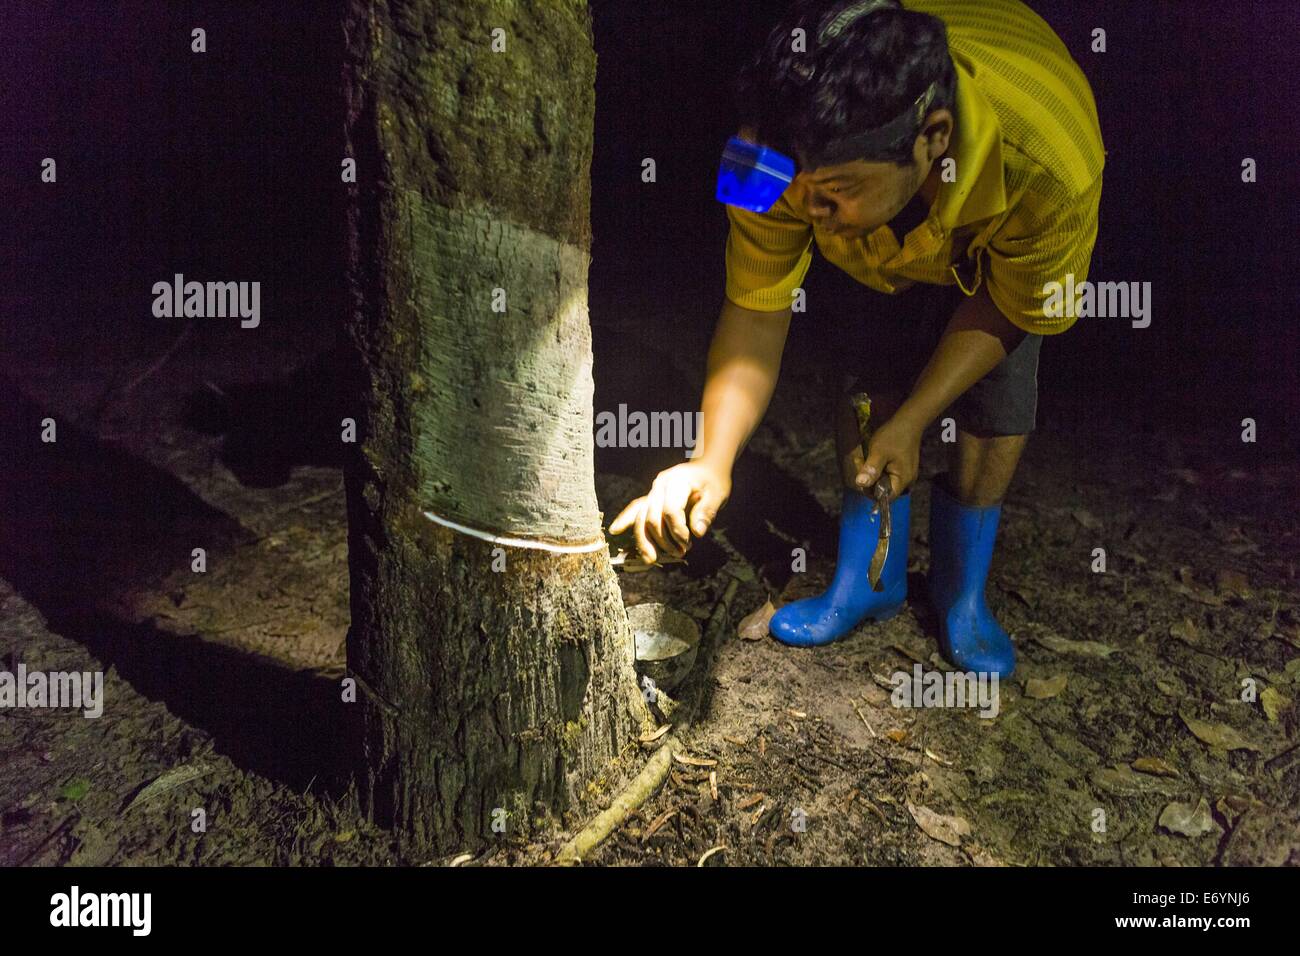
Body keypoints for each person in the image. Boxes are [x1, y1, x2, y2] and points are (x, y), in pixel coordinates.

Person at [609, 0, 1104, 677]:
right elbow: (757, 307)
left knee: (997, 403)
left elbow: (1012, 307)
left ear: (932, 136)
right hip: (881, 240)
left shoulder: (1049, 165)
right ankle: (868, 581)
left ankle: (961, 597)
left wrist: (918, 419)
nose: (809, 213)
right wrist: (711, 459)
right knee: (868, 386)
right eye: (796, 191)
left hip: (999, 234)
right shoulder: (767, 155)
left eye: (834, 192)